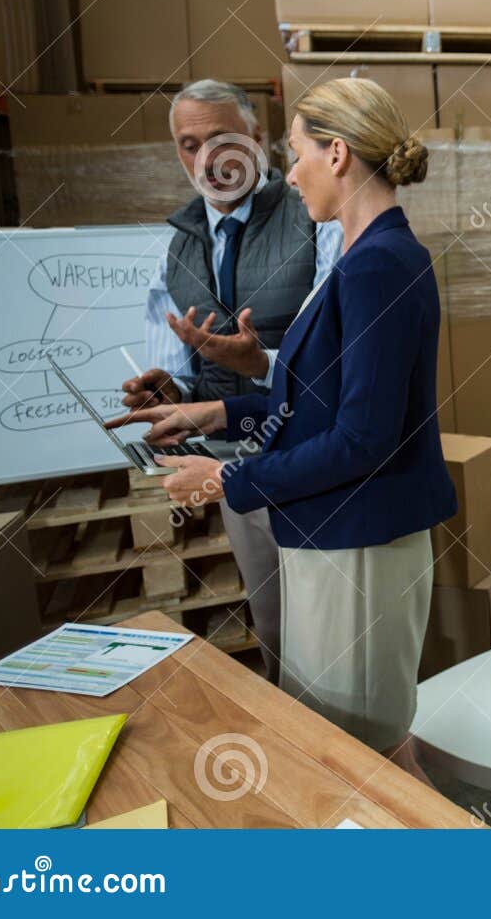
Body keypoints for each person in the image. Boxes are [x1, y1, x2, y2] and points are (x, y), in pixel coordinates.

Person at [108, 78, 456, 778]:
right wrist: (211, 413)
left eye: (297, 154)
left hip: (358, 541)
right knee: (346, 746)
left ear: (337, 154)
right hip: (333, 535)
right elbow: (319, 400)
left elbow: (363, 439)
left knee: (359, 756)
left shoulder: (378, 265)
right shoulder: (361, 256)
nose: (290, 174)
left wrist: (226, 476)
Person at [120, 79, 344, 683]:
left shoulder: (313, 216)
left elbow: (332, 353)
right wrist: (170, 394)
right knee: (274, 628)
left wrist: (259, 362)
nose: (206, 159)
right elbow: (184, 374)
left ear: (257, 140)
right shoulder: (179, 247)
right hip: (237, 465)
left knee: (338, 638)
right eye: (188, 144)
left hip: (317, 459)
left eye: (221, 139)